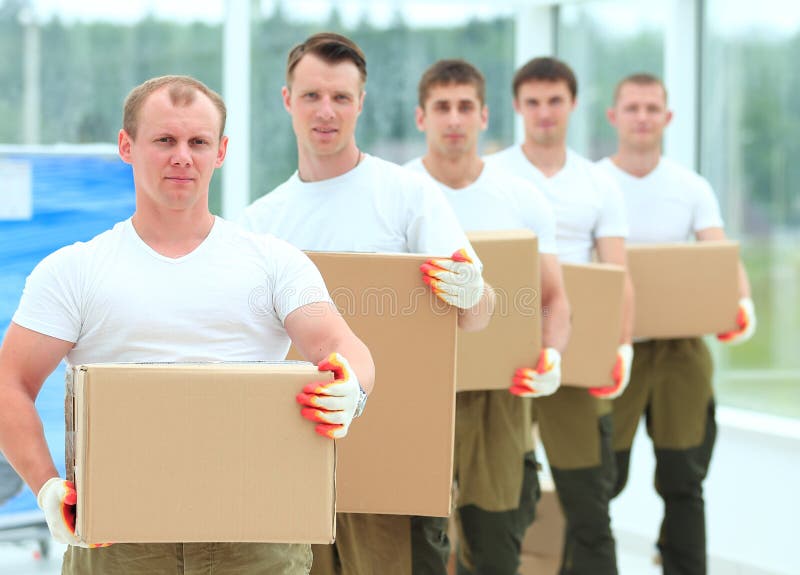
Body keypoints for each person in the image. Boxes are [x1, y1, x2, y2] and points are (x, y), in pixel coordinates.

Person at [0, 75, 374, 575]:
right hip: (118, 543)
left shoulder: (273, 263)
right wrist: (46, 487)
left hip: (255, 539)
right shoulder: (75, 271)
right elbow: (10, 383)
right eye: (164, 141)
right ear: (126, 146)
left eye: (198, 142)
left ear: (220, 152)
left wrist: (355, 389)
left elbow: (340, 344)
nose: (182, 156)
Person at [239, 34, 494, 575]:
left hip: (397, 463)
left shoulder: (408, 196)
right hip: (298, 464)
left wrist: (471, 291)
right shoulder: (260, 222)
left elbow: (480, 314)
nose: (326, 112)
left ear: (362, 102)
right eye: (311, 96)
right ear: (287, 100)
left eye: (341, 97)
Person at [405, 58, 570, 575]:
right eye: (442, 107)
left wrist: (552, 357)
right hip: (417, 393)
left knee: (495, 545)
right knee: (417, 546)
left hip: (499, 400)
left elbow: (553, 297)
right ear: (421, 117)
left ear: (484, 116)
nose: (453, 119)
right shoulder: (396, 193)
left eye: (465, 107)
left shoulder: (522, 198)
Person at [600, 72, 755, 575]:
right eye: (632, 108)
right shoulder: (594, 183)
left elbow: (721, 255)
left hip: (680, 352)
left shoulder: (690, 187)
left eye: (652, 108)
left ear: (666, 118)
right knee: (603, 476)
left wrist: (742, 304)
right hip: (613, 347)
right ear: (614, 117)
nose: (642, 117)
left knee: (684, 479)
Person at [486, 57, 635, 575]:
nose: (544, 112)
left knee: (590, 500)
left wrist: (623, 346)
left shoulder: (598, 183)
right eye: (533, 102)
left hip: (576, 350)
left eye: (554, 101)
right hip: (501, 352)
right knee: (499, 502)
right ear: (516, 107)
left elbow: (619, 274)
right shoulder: (494, 176)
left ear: (572, 104)